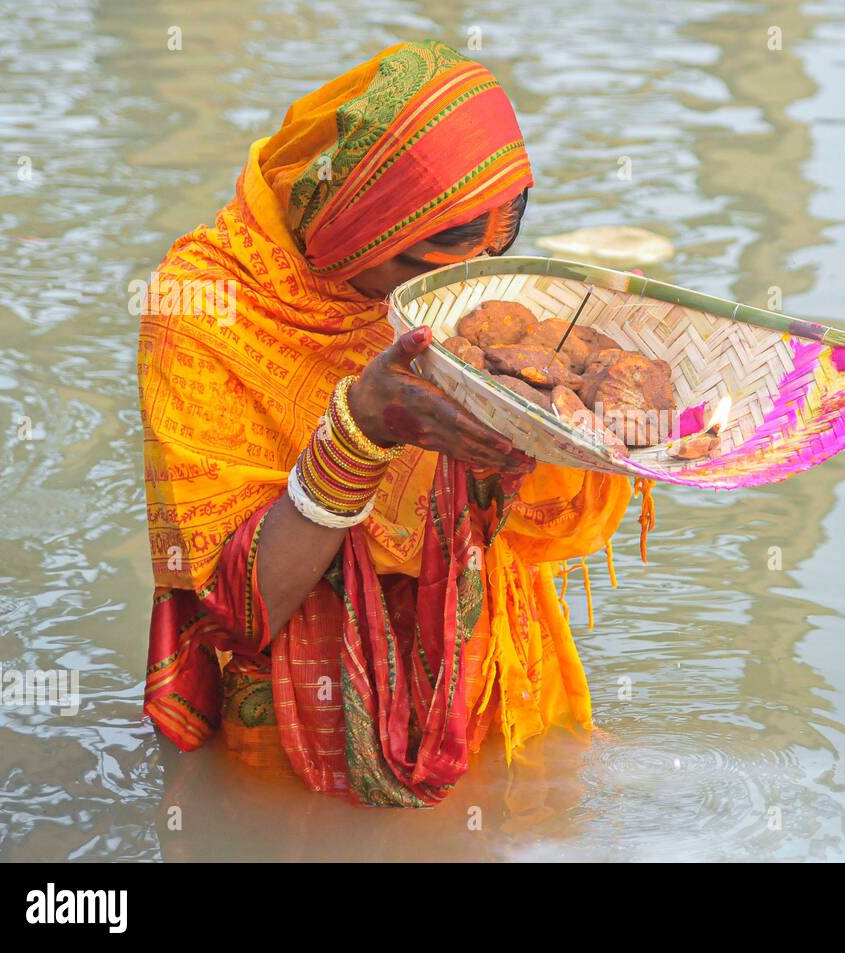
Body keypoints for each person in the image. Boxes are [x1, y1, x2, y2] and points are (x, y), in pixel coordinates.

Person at [138, 39, 639, 807]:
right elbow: (239, 608)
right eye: (423, 269)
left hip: (475, 667)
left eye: (482, 259)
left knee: (503, 822)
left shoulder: (459, 287)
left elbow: (534, 521)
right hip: (308, 708)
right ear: (350, 229)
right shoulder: (203, 311)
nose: (453, 298)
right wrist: (359, 430)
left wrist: (573, 403)